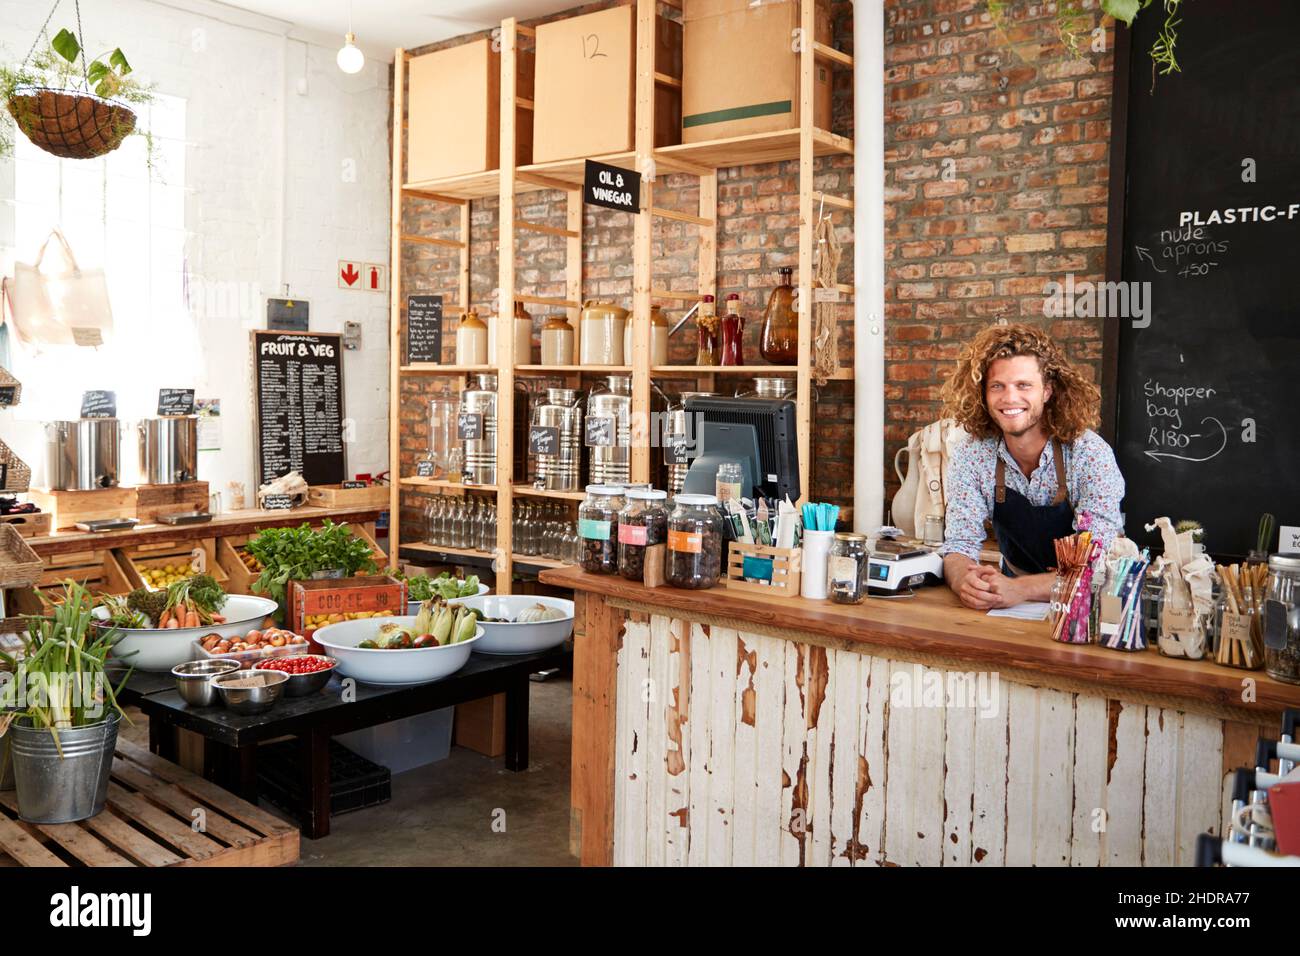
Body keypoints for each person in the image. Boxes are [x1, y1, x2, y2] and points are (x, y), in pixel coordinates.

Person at [938, 323, 1124, 610]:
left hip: (1089, 606)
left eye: (1023, 385)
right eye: (997, 386)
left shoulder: (1089, 453)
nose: (1010, 398)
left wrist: (1020, 589)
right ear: (983, 395)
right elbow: (959, 544)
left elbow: (1095, 560)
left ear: (1047, 391)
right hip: (1012, 605)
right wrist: (964, 580)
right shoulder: (972, 454)